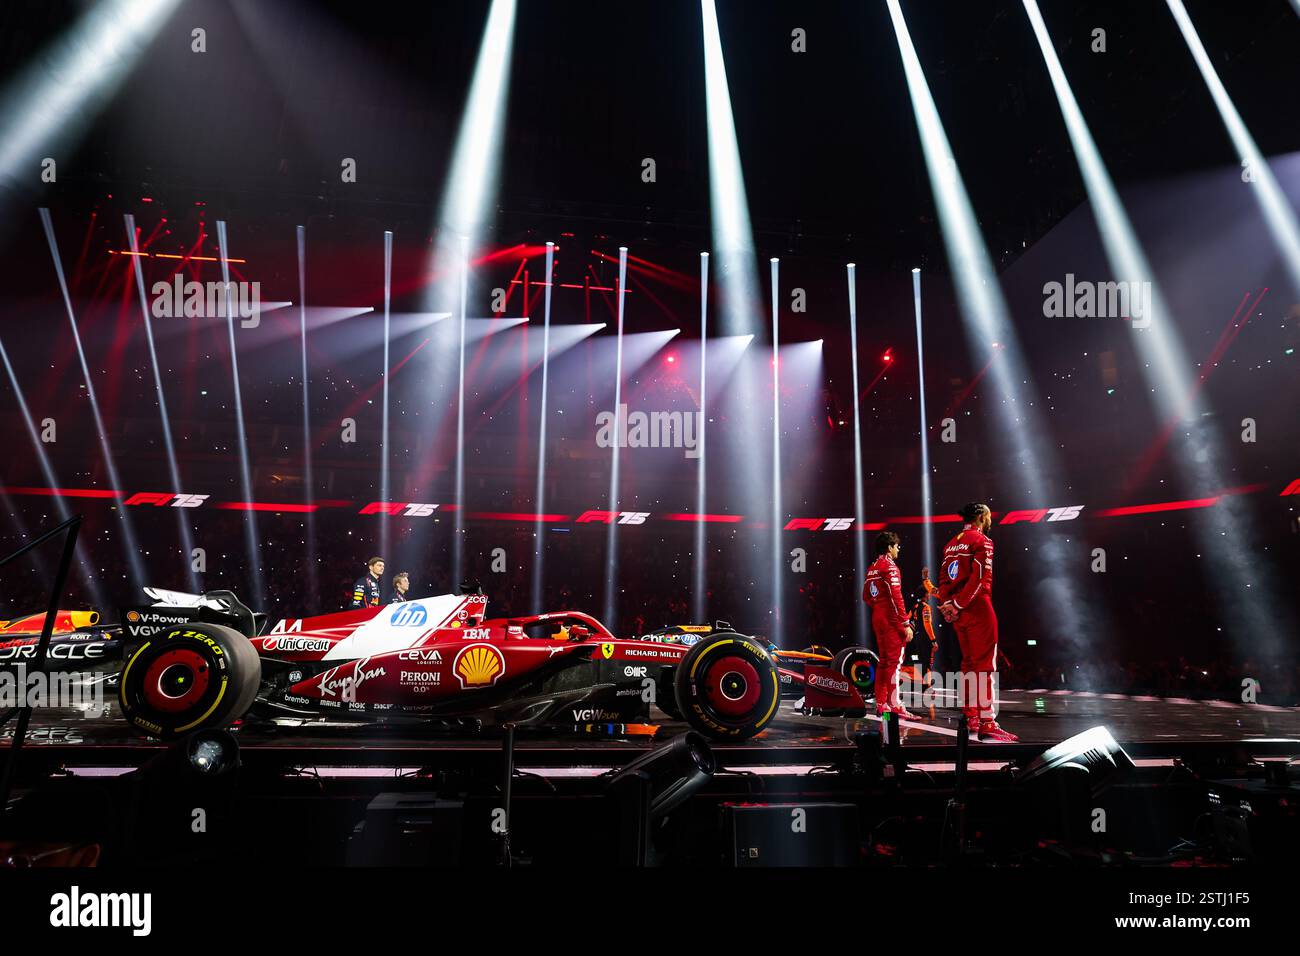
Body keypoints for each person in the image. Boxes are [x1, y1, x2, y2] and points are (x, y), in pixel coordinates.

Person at [937, 503, 1018, 742]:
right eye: (989, 516)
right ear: (982, 517)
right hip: (976, 608)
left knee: (969, 664)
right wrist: (959, 604)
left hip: (959, 612)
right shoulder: (982, 541)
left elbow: (944, 578)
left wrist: (948, 605)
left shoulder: (951, 543)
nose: (991, 521)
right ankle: (987, 722)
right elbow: (980, 578)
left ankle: (971, 715)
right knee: (984, 665)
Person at [863, 531, 920, 721]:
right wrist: (905, 623)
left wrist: (879, 607)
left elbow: (866, 596)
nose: (898, 550)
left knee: (884, 662)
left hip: (878, 617)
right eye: (897, 546)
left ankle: (882, 705)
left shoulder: (872, 567)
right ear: (889, 547)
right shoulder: (890, 567)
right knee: (894, 663)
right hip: (891, 619)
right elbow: (897, 597)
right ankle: (895, 705)